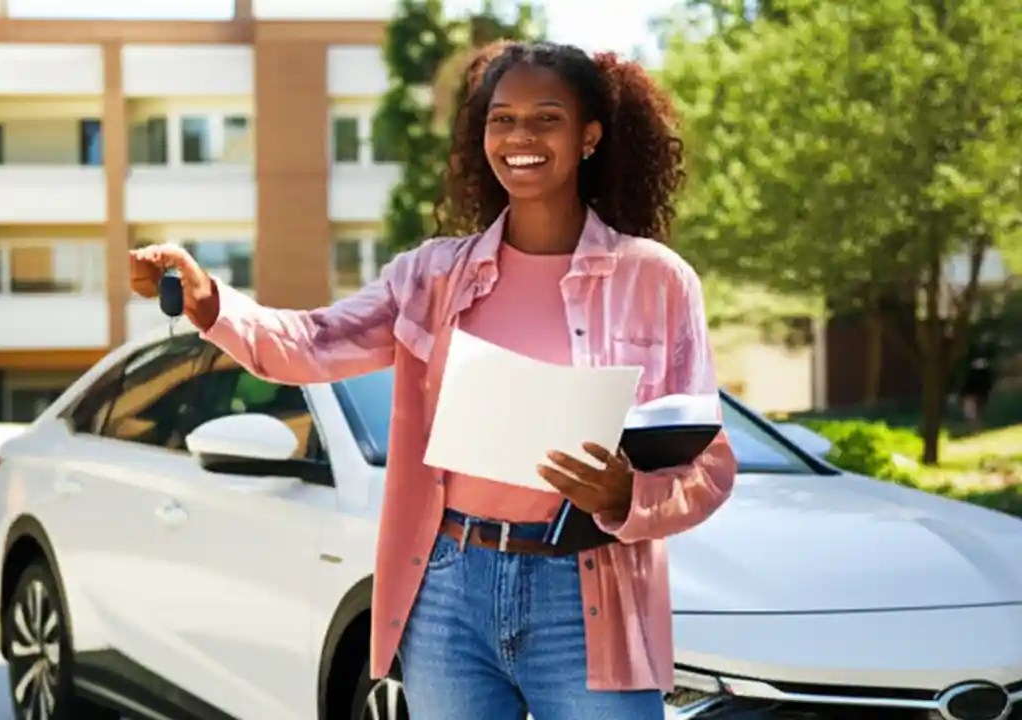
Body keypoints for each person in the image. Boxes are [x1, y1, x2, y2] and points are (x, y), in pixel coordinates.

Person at [130, 41, 736, 720]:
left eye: (546, 119)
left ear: (589, 136)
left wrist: (630, 494)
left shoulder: (654, 280)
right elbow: (313, 345)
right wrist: (211, 301)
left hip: (588, 594)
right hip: (450, 588)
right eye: (501, 119)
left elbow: (708, 466)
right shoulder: (432, 276)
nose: (520, 137)